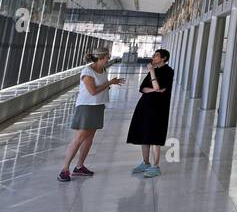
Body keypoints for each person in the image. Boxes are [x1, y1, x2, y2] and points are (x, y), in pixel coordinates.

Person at [58, 49, 124, 181]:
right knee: (79, 138)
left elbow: (101, 88)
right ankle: (64, 169)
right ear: (101, 58)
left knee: (89, 138)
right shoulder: (88, 72)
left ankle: (79, 166)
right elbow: (92, 91)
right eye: (107, 57)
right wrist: (109, 83)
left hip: (98, 106)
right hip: (86, 107)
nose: (108, 59)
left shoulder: (103, 70)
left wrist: (109, 84)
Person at [127, 49, 173, 178]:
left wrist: (152, 73)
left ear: (163, 58)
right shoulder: (154, 71)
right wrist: (154, 89)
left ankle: (156, 166)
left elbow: (159, 88)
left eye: (156, 56)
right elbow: (143, 88)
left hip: (159, 108)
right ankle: (145, 162)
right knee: (144, 134)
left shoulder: (168, 71)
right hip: (145, 105)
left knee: (155, 136)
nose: (153, 57)